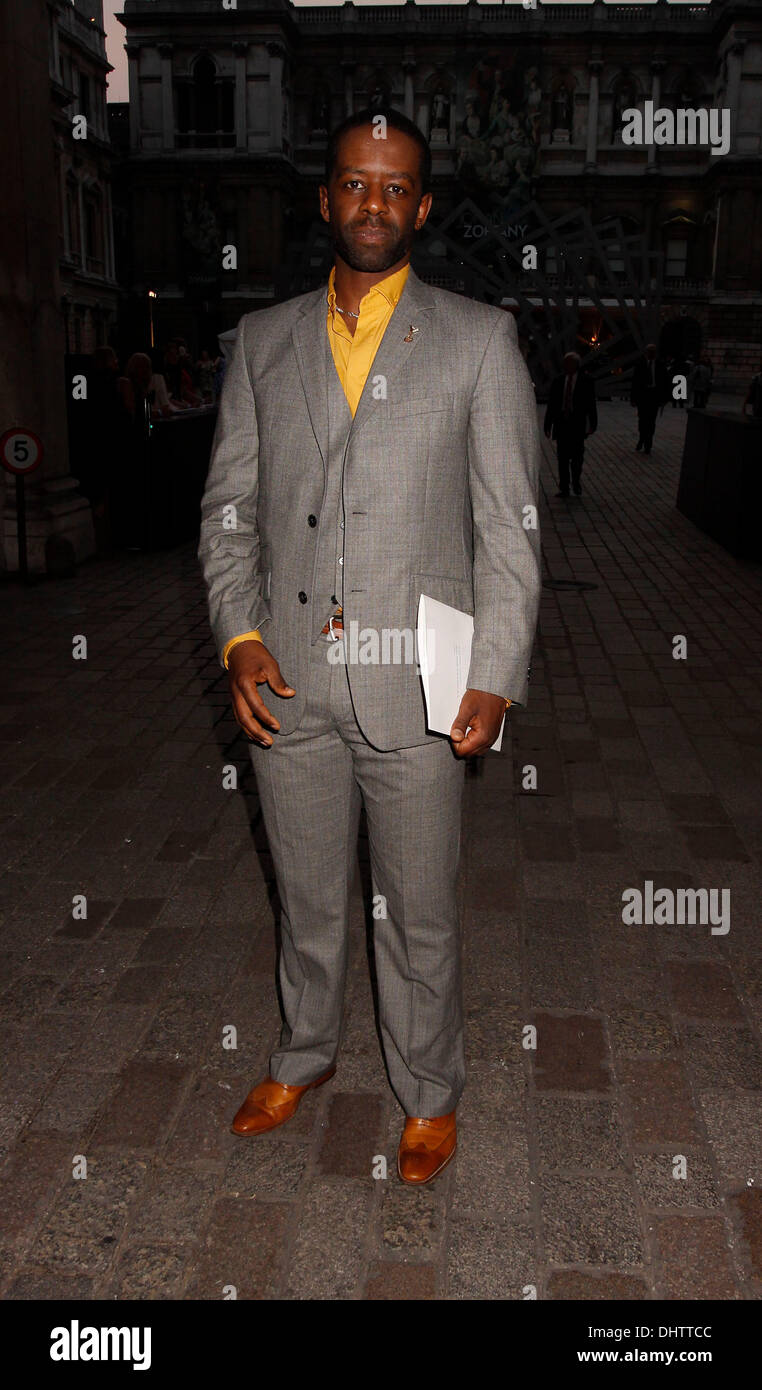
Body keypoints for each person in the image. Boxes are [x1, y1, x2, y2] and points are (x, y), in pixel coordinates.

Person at [198, 107, 541, 1186]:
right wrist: (239, 636)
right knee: (304, 896)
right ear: (325, 198)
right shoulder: (261, 343)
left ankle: (429, 1093)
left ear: (423, 206)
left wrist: (495, 672)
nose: (374, 203)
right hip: (289, 682)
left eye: (396, 187)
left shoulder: (480, 341)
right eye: (355, 183)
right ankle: (303, 1054)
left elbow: (508, 526)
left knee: (418, 911)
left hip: (420, 687)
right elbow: (228, 511)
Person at [543, 351, 597, 498]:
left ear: (576, 365)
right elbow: (552, 405)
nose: (566, 366)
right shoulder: (559, 381)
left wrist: (593, 423)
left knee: (577, 457)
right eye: (565, 363)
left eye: (570, 363)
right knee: (562, 458)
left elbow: (591, 404)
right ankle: (564, 487)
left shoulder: (586, 381)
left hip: (577, 424)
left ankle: (576, 482)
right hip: (562, 424)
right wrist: (547, 425)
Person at [631, 343, 669, 454]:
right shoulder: (640, 364)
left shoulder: (661, 365)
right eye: (649, 352)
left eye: (653, 352)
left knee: (651, 421)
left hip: (654, 396)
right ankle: (642, 438)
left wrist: (664, 398)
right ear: (646, 353)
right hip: (643, 396)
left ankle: (648, 443)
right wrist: (633, 398)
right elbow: (635, 382)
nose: (651, 354)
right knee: (642, 420)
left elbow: (665, 382)